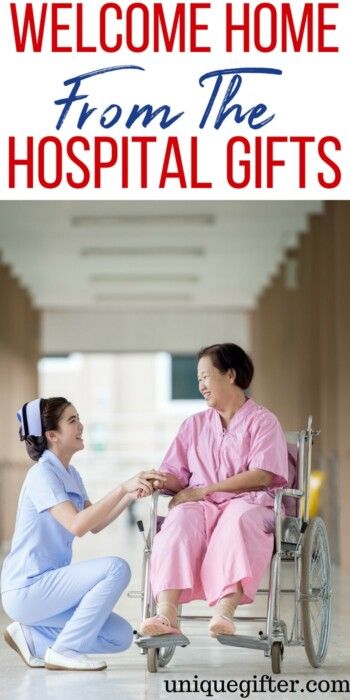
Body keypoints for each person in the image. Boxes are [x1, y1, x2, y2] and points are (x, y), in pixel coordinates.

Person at [1, 397, 166, 671]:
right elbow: (77, 525)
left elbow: (94, 524)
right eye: (72, 421)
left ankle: (31, 638)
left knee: (119, 637)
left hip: (47, 588)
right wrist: (121, 487)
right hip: (27, 588)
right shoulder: (42, 474)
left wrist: (130, 493)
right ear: (52, 435)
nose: (81, 426)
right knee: (116, 568)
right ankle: (65, 650)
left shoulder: (70, 473)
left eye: (78, 419)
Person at [140, 343, 289, 638]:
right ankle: (166, 614)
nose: (201, 386)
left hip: (251, 502)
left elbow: (261, 475)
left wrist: (206, 489)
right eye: (199, 380)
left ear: (230, 375)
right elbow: (177, 474)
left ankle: (224, 612)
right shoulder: (193, 425)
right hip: (202, 504)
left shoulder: (263, 422)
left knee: (237, 518)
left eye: (205, 377)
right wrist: (160, 480)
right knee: (179, 520)